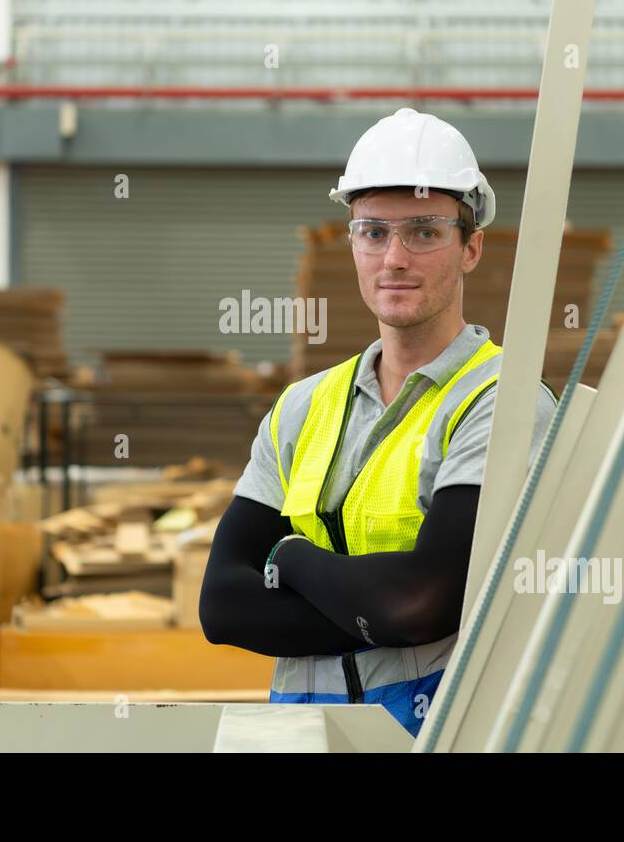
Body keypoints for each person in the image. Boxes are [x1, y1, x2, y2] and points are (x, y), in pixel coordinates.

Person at [199, 107, 558, 737]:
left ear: (471, 247)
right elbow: (223, 607)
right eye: (373, 232)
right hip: (301, 737)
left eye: (423, 232)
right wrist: (383, 608)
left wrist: (291, 558)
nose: (394, 257)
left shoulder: (500, 400)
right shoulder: (303, 407)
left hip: (433, 731)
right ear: (353, 243)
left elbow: (421, 603)